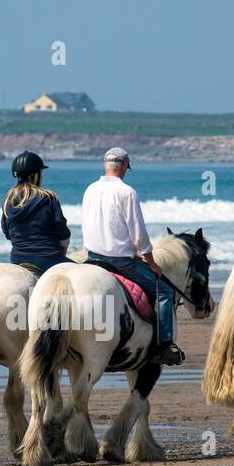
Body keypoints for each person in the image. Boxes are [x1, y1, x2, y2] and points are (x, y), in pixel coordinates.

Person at [80, 147, 184, 365]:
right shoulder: (126, 192)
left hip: (91, 257)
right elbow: (138, 234)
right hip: (120, 263)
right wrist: (152, 263)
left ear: (105, 166)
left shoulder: (89, 189)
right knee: (164, 291)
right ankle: (164, 346)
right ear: (124, 166)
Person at [1, 151, 71, 272]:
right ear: (36, 175)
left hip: (18, 260)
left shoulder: (8, 200)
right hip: (49, 259)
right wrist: (61, 255)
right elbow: (63, 233)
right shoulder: (48, 197)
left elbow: (7, 233)